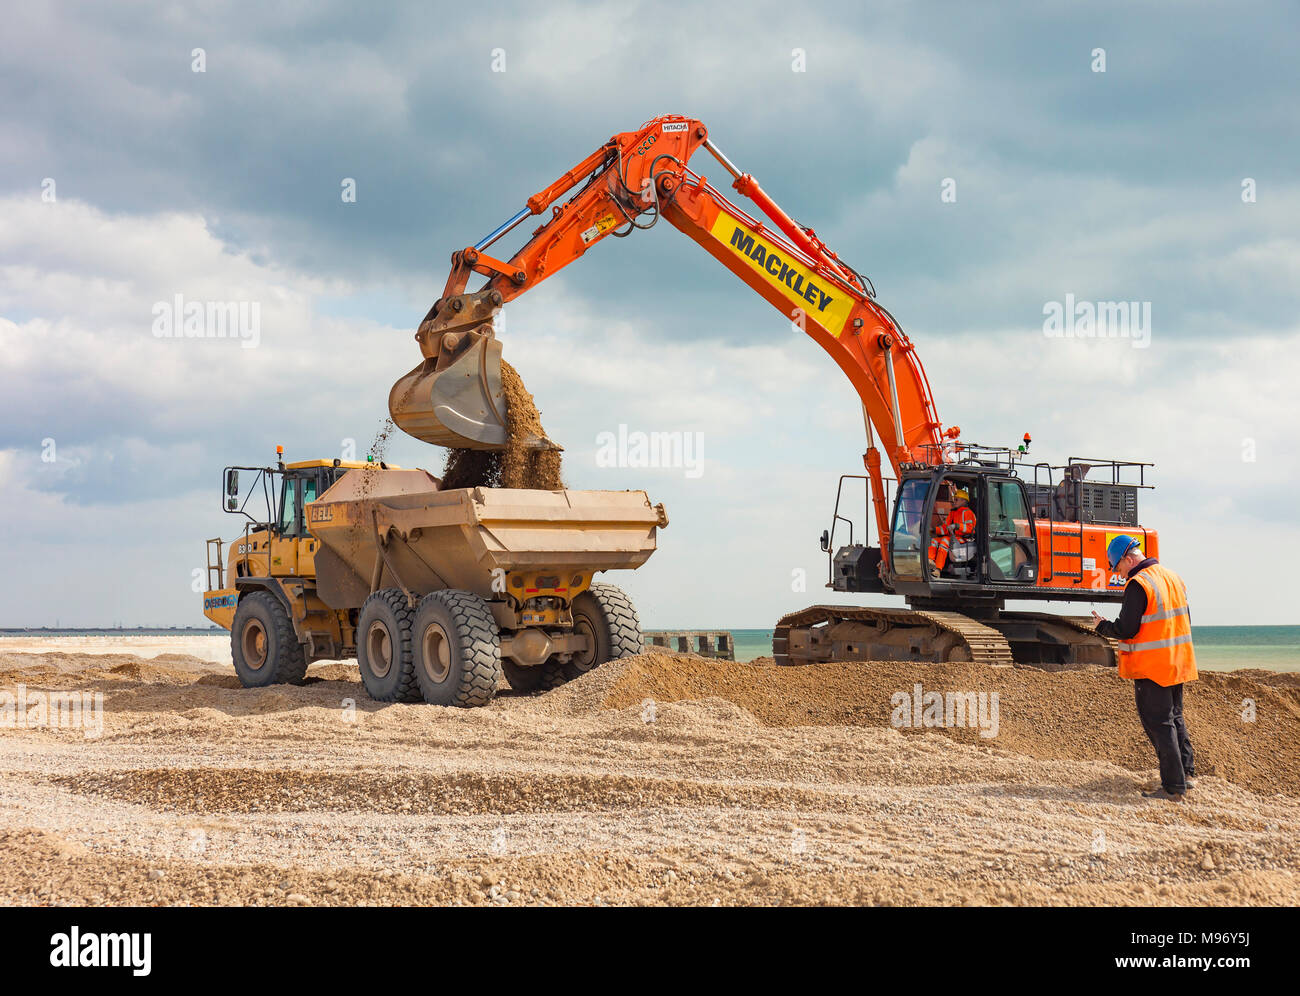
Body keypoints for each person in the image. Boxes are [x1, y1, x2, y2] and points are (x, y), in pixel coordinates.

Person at [1092, 535, 1198, 802]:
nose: (1118, 574)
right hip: (1177, 661)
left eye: (1117, 568)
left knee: (1160, 723)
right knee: (1175, 718)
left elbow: (1127, 629)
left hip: (1153, 667)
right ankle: (1186, 774)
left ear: (1129, 559)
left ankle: (1174, 787)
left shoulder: (1138, 584)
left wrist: (1103, 626)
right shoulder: (1173, 577)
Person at [928, 485, 976, 574]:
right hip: (954, 538)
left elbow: (971, 529)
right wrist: (935, 530)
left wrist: (958, 526)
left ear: (963, 501)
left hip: (964, 539)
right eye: (954, 499)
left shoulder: (968, 513)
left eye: (956, 499)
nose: (954, 501)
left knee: (945, 540)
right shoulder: (953, 512)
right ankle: (930, 560)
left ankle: (938, 569)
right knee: (934, 540)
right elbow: (945, 528)